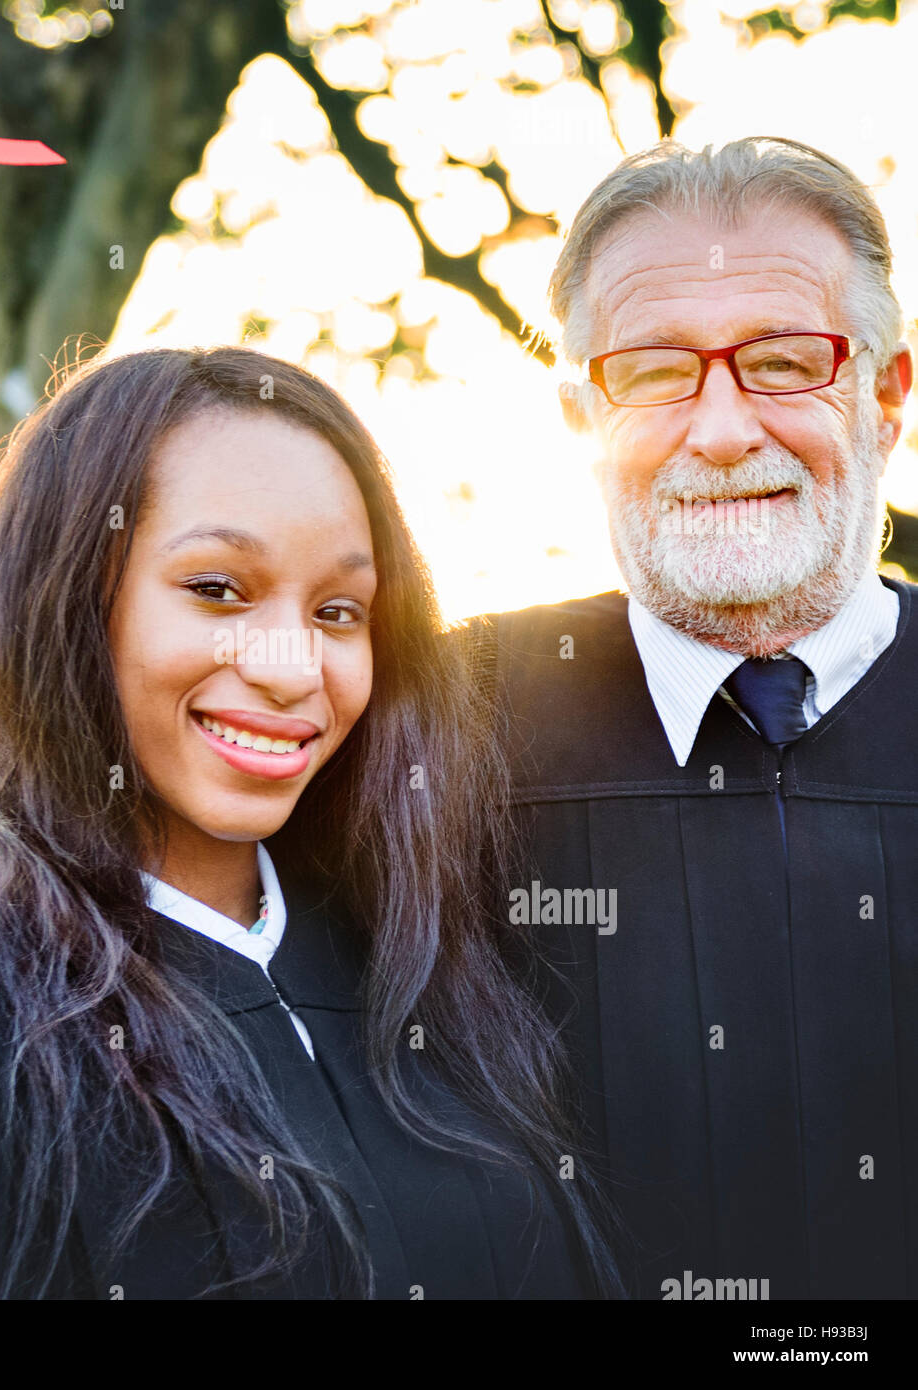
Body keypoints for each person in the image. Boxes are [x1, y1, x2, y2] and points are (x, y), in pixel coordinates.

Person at [0, 301, 620, 1299]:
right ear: (69, 604)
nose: (290, 668)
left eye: (337, 610)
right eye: (218, 589)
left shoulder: (419, 972)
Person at [461, 136, 916, 1299]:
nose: (719, 431)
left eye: (779, 360)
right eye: (654, 370)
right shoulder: (434, 726)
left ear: (887, 393)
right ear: (579, 415)